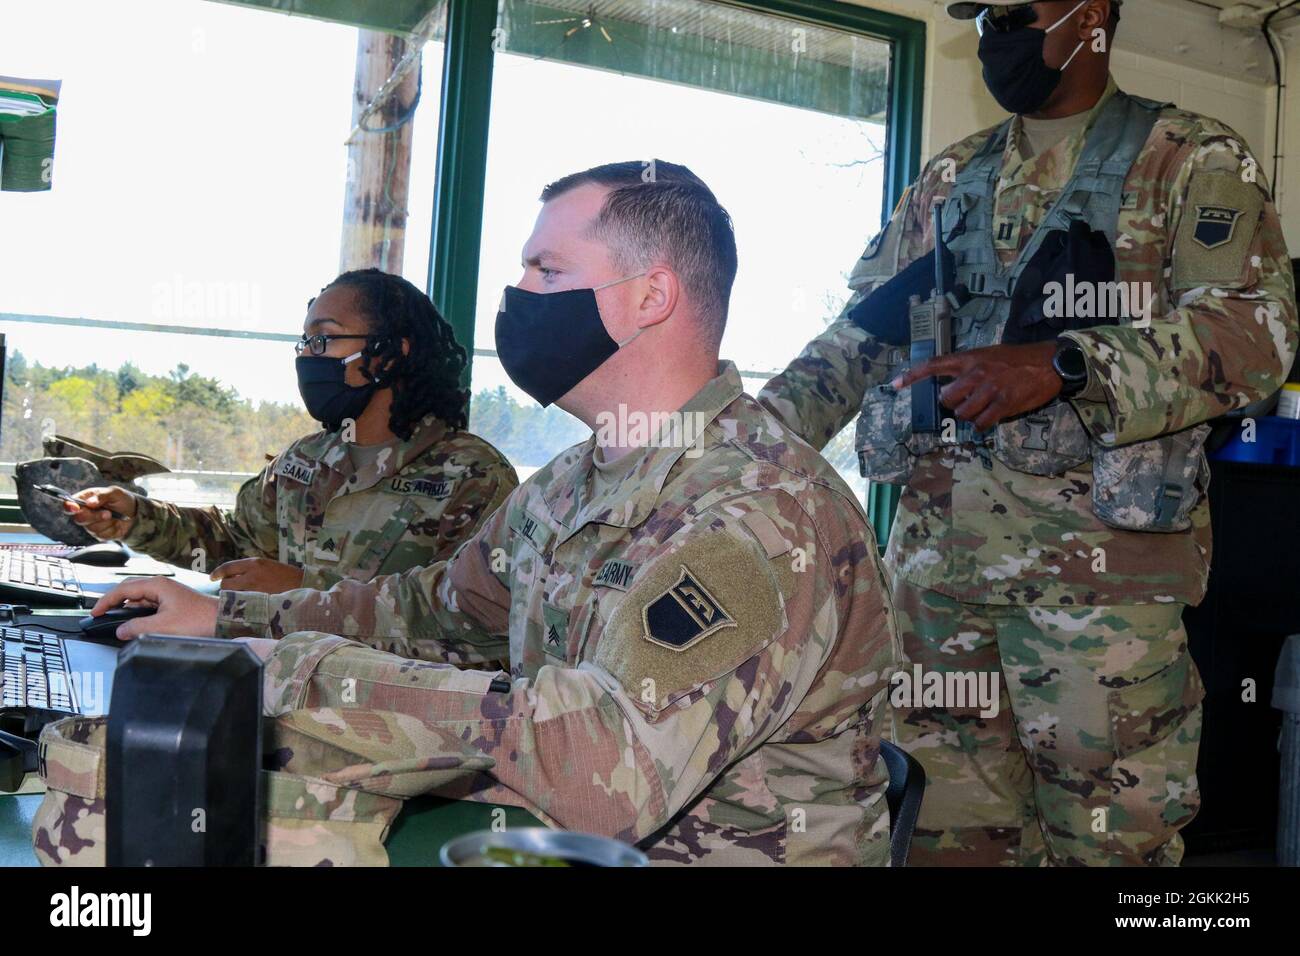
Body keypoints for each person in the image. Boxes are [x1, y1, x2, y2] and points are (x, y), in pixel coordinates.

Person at [89, 161, 900, 865]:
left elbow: (599, 767)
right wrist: (229, 620)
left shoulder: (759, 515)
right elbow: (431, 609)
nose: (518, 297)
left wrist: (289, 667)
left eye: (546, 272)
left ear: (652, 296)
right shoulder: (571, 483)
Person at [758, 0, 1298, 866]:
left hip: (1100, 604)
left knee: (1110, 850)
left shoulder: (1191, 159)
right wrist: (750, 439)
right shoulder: (951, 177)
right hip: (938, 587)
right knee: (943, 840)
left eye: (1013, 10)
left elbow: (1255, 337)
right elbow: (862, 338)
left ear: (1091, 15)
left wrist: (1066, 363)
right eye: (981, 16)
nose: (993, 33)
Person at [66, 269, 518, 593]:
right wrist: (133, 515)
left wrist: (303, 589)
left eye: (323, 339)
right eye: (303, 342)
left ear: (388, 354)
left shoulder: (472, 476)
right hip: (272, 691)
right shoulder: (305, 461)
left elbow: (469, 622)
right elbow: (232, 541)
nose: (306, 355)